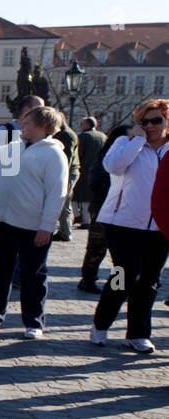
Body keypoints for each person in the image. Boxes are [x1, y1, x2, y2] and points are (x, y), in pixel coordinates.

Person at [0, 106, 67, 338]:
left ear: (43, 127)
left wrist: (47, 226)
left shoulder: (53, 154)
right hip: (2, 220)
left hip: (32, 226)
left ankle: (34, 322)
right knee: (0, 272)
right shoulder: (13, 147)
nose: (22, 127)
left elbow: (57, 193)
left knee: (33, 275)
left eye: (27, 123)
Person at [90, 99, 169, 353]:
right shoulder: (126, 143)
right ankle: (101, 322)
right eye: (144, 121)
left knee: (148, 280)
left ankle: (138, 333)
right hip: (122, 223)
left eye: (156, 120)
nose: (150, 126)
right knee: (123, 275)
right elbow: (112, 166)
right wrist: (136, 140)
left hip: (159, 227)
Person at [78, 125, 128, 294]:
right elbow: (96, 183)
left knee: (120, 253)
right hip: (102, 209)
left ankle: (118, 285)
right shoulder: (105, 158)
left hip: (121, 212)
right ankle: (88, 280)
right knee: (96, 248)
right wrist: (117, 192)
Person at [52, 111, 82, 241]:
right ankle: (64, 230)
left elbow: (67, 158)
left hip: (69, 171)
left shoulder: (67, 134)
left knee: (64, 201)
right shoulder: (63, 133)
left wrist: (62, 173)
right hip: (68, 170)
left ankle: (65, 232)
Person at [73, 116, 107, 230]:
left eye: (82, 124)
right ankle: (88, 219)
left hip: (84, 171)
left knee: (81, 198)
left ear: (87, 125)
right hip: (100, 171)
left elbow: (78, 154)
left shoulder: (83, 137)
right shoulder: (103, 136)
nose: (81, 126)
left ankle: (83, 219)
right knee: (91, 198)